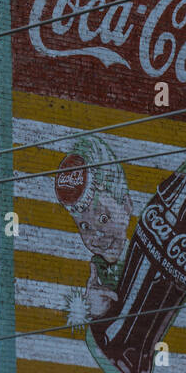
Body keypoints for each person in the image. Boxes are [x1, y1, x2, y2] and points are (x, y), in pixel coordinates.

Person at [54, 135, 134, 320]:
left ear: (127, 205)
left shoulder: (145, 252)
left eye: (104, 218)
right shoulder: (99, 273)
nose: (96, 236)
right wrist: (98, 312)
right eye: (84, 226)